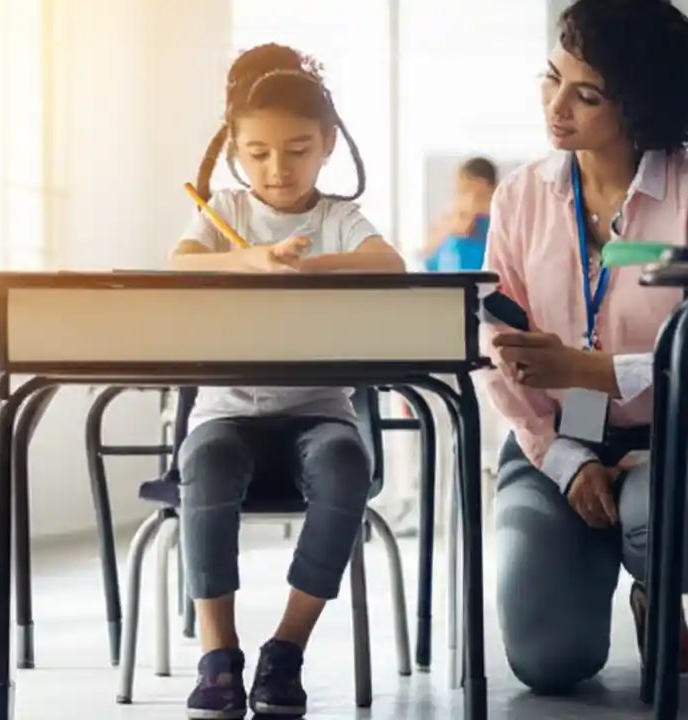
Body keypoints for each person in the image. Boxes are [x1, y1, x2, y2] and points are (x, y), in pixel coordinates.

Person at [482, 0, 688, 694]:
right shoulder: (520, 197)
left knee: (676, 534)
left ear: (638, 104)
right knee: (549, 663)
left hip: (675, 443)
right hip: (552, 441)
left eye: (587, 94)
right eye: (552, 80)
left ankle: (654, 588)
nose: (557, 107)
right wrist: (568, 457)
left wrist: (596, 373)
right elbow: (495, 341)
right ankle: (600, 551)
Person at [166, 43, 404, 719]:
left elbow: (387, 263)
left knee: (345, 463)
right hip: (226, 414)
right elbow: (178, 266)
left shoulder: (336, 216)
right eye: (259, 152)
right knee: (204, 460)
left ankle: (286, 649)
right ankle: (218, 657)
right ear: (235, 148)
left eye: (298, 149)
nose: (278, 168)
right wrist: (248, 260)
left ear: (328, 144)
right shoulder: (224, 212)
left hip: (317, 411)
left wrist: (310, 267)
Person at [422, 156, 498, 271]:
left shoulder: (496, 228)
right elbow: (428, 263)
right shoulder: (447, 229)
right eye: (463, 192)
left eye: (479, 196)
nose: (470, 202)